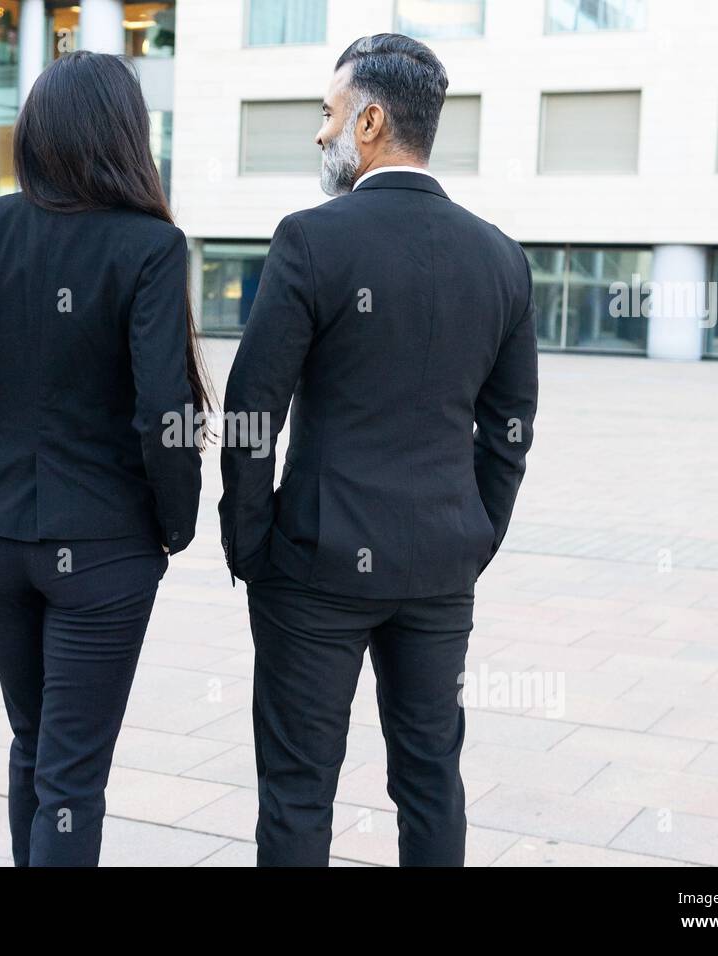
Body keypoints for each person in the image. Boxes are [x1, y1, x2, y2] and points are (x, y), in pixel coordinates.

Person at [219, 33, 539, 867]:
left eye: (327, 115)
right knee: (432, 778)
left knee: (297, 791)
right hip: (440, 565)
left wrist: (252, 543)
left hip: (315, 564)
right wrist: (474, 533)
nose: (319, 135)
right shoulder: (500, 257)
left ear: (368, 121)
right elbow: (510, 429)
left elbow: (254, 409)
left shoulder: (311, 239)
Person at [0, 51, 209, 867]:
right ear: (126, 137)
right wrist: (174, 526)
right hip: (105, 546)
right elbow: (161, 413)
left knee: (33, 741)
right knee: (71, 775)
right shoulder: (151, 245)